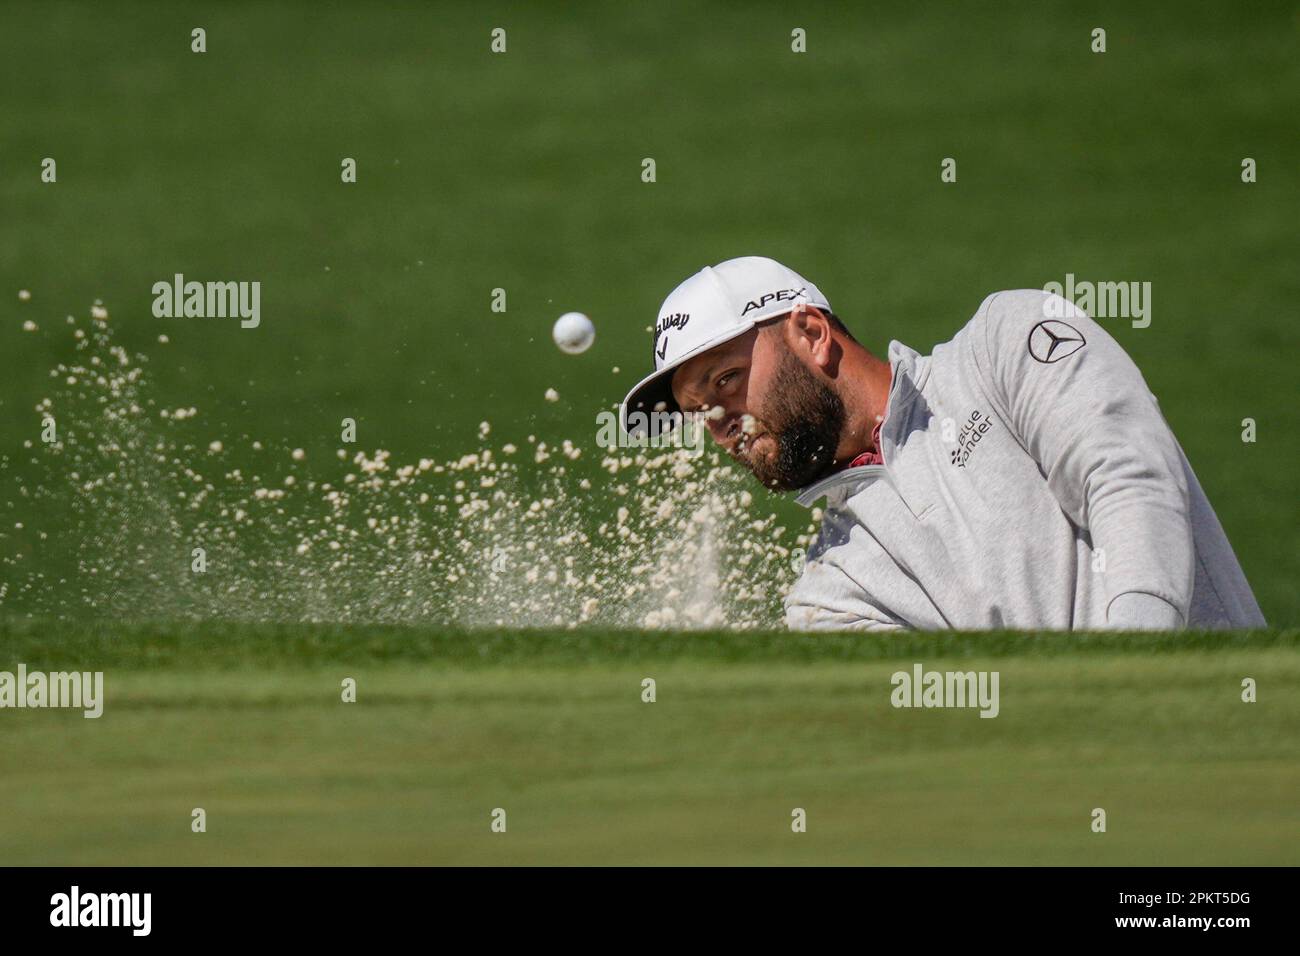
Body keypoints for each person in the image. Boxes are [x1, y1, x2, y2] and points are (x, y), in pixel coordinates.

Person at [621, 256, 1265, 630]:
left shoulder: (1009, 341)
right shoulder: (830, 596)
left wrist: (1133, 671)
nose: (718, 420)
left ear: (812, 333)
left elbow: (1129, 479)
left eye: (727, 380)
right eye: (699, 409)